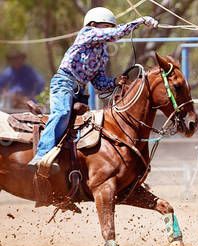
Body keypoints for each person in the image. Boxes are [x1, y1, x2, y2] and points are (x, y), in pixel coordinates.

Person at [29, 8, 158, 167]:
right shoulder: (87, 33)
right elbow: (115, 34)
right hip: (64, 82)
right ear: (93, 24)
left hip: (80, 91)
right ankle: (40, 156)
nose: (110, 30)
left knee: (87, 126)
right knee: (62, 112)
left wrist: (115, 82)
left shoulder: (103, 54)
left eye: (111, 27)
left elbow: (98, 82)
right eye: (107, 26)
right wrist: (140, 21)